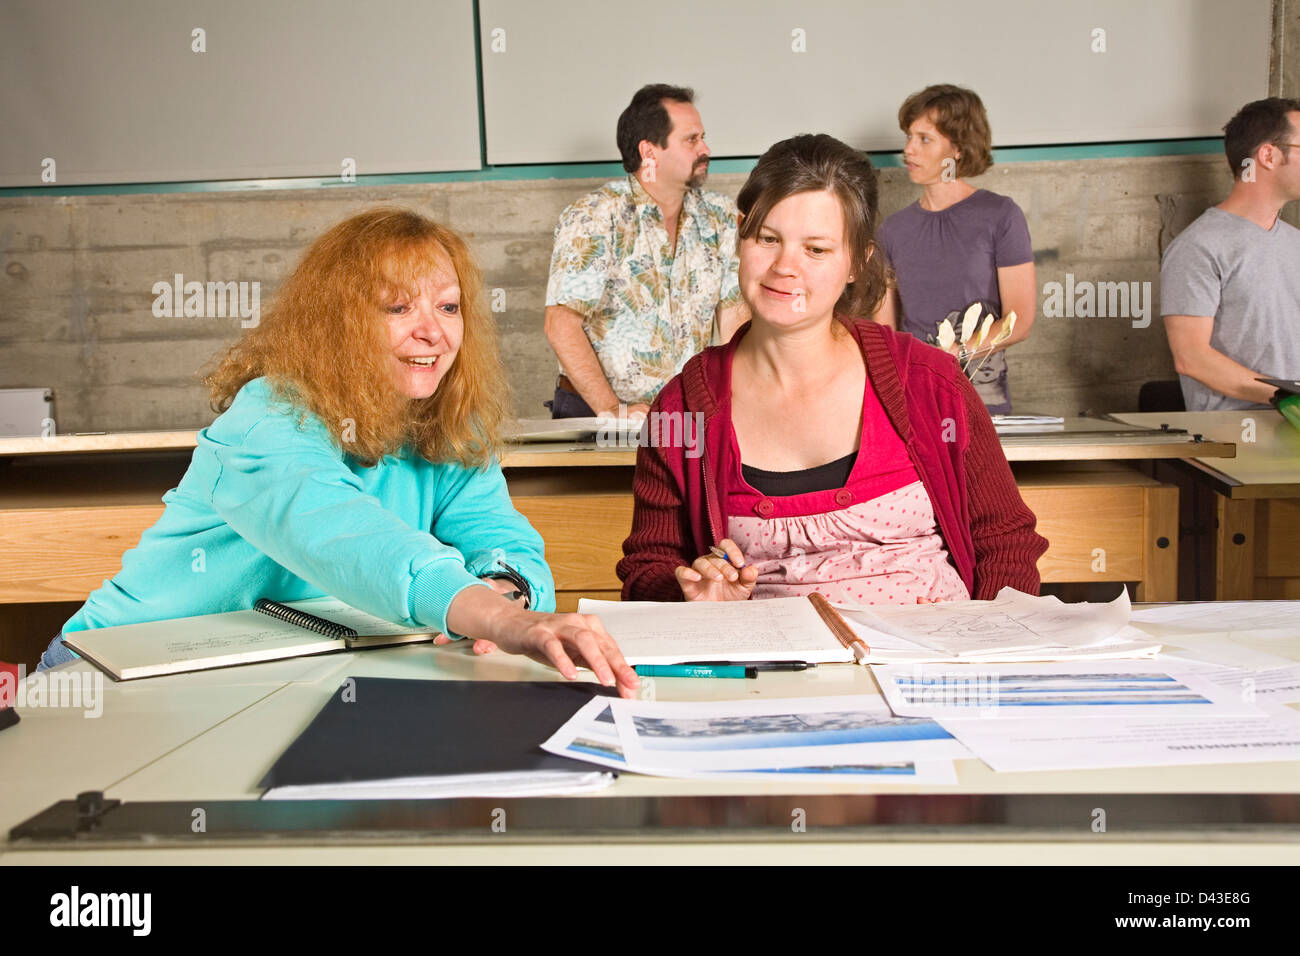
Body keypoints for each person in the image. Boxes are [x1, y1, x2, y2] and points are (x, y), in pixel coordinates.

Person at [41, 208, 638, 697]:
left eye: (448, 307)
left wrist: (508, 590)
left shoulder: (449, 421)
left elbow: (498, 533)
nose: (434, 332)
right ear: (339, 323)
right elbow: (349, 537)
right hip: (116, 671)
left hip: (277, 672)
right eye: (398, 308)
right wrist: (498, 620)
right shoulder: (267, 416)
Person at [618, 134, 1047, 604]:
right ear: (741, 234)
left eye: (817, 250)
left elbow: (1005, 542)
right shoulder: (684, 407)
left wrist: (982, 645)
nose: (786, 267)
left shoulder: (931, 383)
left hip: (930, 668)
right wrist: (688, 591)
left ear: (855, 263)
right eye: (767, 239)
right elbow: (648, 566)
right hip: (768, 674)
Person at [544, 83, 749, 419]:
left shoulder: (720, 218)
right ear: (650, 152)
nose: (705, 149)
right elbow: (561, 325)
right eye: (691, 140)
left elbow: (735, 320)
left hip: (684, 414)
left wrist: (736, 404)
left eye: (703, 137)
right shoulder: (595, 216)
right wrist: (612, 409)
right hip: (592, 414)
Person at [873, 84, 1036, 415]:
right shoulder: (893, 230)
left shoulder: (1000, 216)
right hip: (914, 401)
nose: (909, 150)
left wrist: (950, 354)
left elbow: (1019, 320)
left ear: (958, 148)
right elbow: (884, 335)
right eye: (909, 137)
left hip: (980, 401)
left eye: (924, 139)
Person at [1162, 96, 1300, 411]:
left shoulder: (1295, 243)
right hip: (1239, 441)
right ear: (1268, 155)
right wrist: (1288, 400)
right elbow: (1192, 359)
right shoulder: (1198, 247)